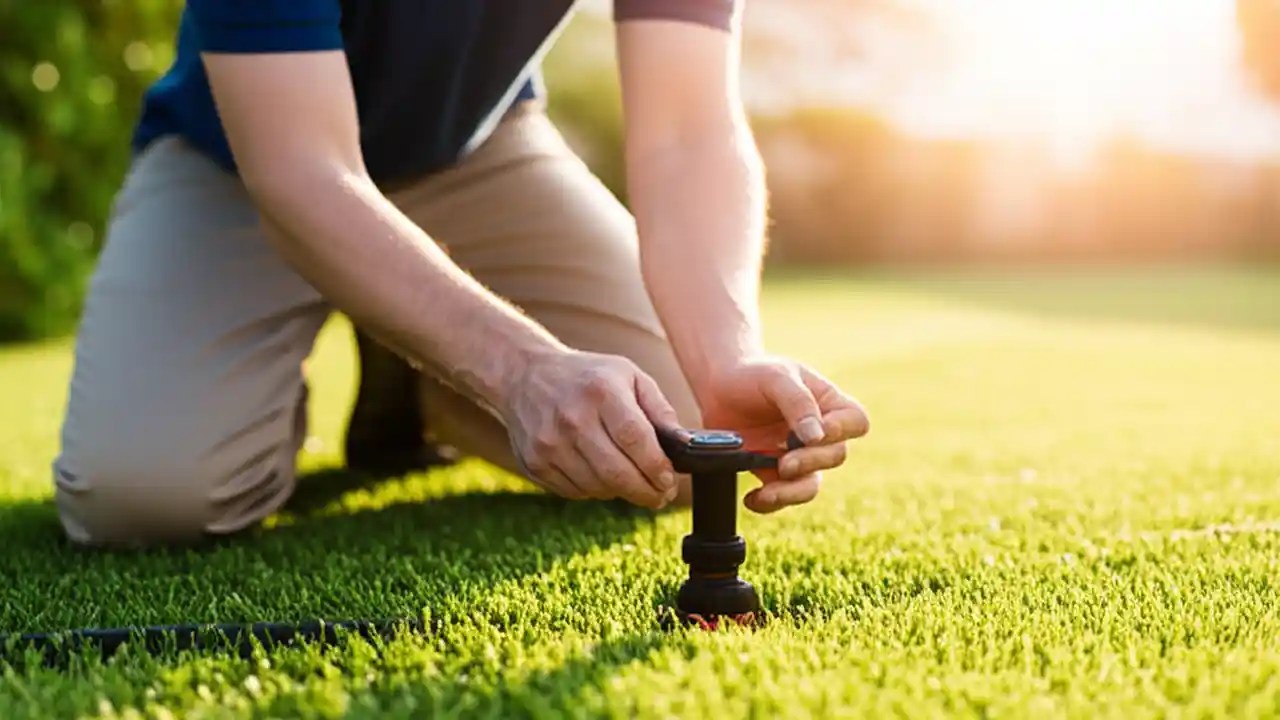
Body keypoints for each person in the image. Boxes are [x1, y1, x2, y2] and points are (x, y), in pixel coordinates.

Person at [52, 0, 871, 547]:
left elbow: (688, 130)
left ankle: (416, 378)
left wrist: (726, 355)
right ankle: (438, 345)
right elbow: (301, 169)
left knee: (677, 430)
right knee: (145, 497)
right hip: (237, 162)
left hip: (475, 150)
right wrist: (518, 371)